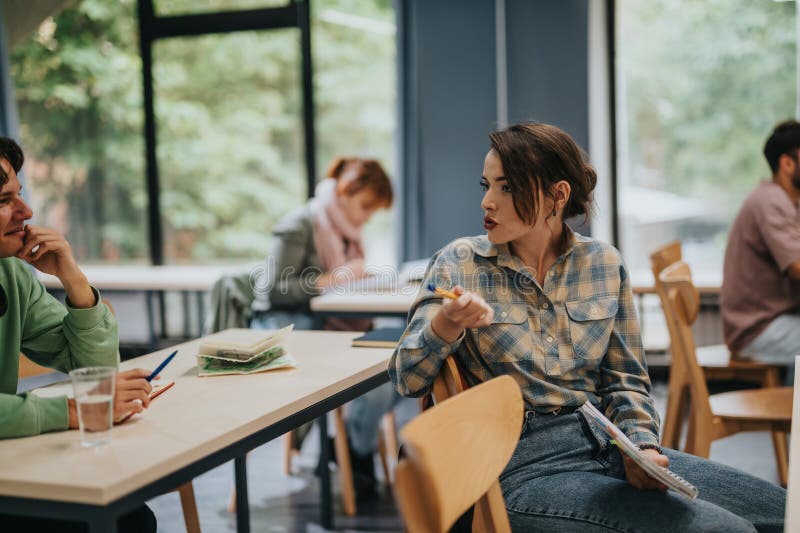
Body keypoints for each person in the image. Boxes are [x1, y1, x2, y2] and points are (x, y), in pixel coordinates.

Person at [389, 122, 785, 532]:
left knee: (786, 513)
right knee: (726, 531)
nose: (487, 201)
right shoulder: (460, 263)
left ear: (557, 195)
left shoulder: (603, 264)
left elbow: (626, 380)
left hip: (606, 443)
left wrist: (643, 449)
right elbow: (406, 378)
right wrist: (446, 323)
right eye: (486, 185)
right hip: (519, 467)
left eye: (505, 188)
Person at [0, 137, 157, 532]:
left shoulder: (12, 274)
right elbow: (91, 399)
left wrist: (73, 278)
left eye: (19, 194)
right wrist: (72, 411)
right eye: (4, 200)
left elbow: (94, 372)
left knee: (131, 519)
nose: (27, 211)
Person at [251, 157, 401, 500]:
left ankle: (347, 446)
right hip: (296, 331)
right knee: (378, 380)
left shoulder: (346, 232)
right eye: (364, 206)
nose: (365, 217)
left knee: (397, 368)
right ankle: (353, 452)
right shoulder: (300, 224)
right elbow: (272, 289)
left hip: (327, 327)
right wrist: (329, 281)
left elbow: (344, 278)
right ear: (345, 191)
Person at [721, 119, 800, 378]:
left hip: (773, 321)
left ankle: (790, 413)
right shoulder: (771, 201)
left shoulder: (786, 201)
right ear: (787, 163)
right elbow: (797, 267)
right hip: (758, 329)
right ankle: (791, 416)